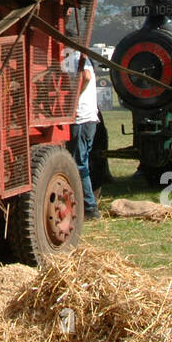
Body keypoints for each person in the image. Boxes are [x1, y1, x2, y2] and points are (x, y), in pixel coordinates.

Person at [62, 47, 101, 219]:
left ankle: (90, 208)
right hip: (85, 118)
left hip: (81, 118)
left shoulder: (77, 56)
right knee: (80, 161)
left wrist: (73, 98)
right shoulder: (74, 56)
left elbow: (86, 76)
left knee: (79, 163)